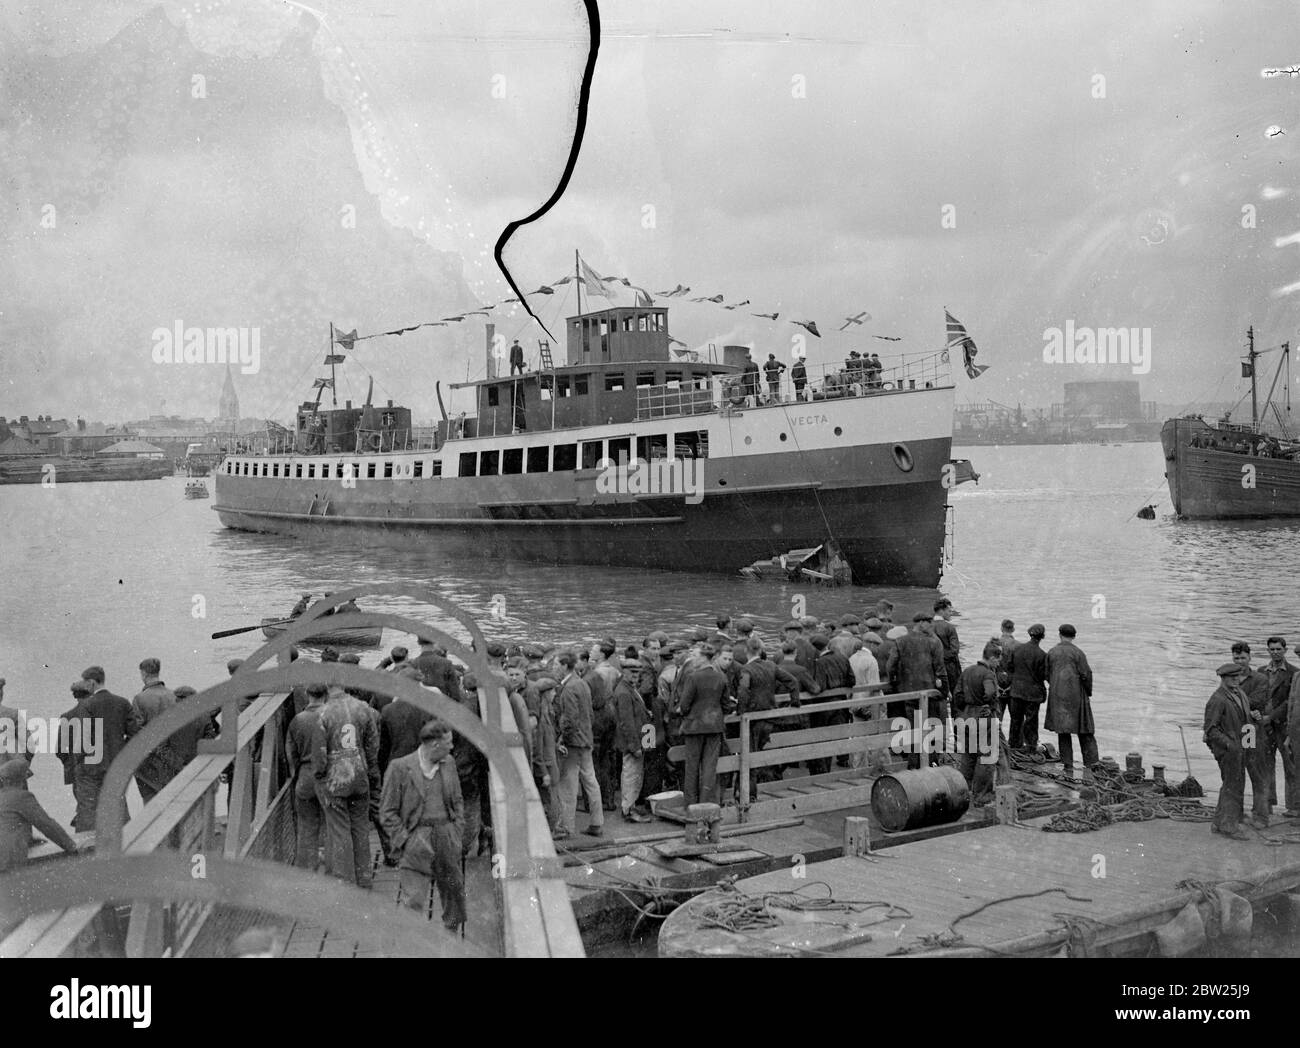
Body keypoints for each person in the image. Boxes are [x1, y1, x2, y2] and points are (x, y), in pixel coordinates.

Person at [380, 718, 465, 931]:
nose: (452, 747)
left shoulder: (449, 763)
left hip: (446, 835)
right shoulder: (400, 768)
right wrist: (405, 841)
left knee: (454, 892)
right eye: (449, 743)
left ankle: (452, 938)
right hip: (416, 837)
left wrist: (456, 831)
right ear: (435, 745)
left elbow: (458, 800)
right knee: (413, 899)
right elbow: (387, 811)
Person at [312, 684, 380, 888]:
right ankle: (364, 877)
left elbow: (320, 755)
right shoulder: (363, 707)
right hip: (359, 774)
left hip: (335, 778)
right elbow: (373, 745)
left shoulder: (322, 713)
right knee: (360, 827)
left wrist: (319, 775)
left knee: (340, 830)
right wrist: (368, 768)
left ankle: (346, 881)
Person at [79, 666, 136, 826]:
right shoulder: (122, 703)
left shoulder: (87, 705)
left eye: (85, 683)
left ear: (91, 682)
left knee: (93, 809)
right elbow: (135, 732)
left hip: (94, 765)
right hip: (118, 762)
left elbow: (84, 738)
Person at [554, 652, 603, 839]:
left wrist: (562, 739)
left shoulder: (568, 689)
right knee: (591, 781)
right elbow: (589, 714)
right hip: (586, 739)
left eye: (557, 665)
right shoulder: (582, 683)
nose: (554, 669)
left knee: (568, 785)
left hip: (573, 742)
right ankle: (597, 823)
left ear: (565, 666)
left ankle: (566, 827)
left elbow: (569, 720)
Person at [0, 759, 80, 872]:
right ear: (22, 779)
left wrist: (28, 839)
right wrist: (70, 846)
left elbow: (8, 826)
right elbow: (46, 825)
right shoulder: (21, 797)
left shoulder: (3, 797)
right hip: (8, 860)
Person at [677, 645, 732, 805]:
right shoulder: (721, 677)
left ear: (703, 658)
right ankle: (706, 804)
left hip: (694, 728)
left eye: (696, 656)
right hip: (714, 727)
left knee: (692, 768)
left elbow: (684, 706)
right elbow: (726, 706)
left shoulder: (693, 677)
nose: (694, 659)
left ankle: (690, 805)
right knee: (709, 768)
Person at [1205, 663, 1251, 840]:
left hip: (1242, 749)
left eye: (1238, 677)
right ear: (1223, 679)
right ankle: (1229, 826)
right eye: (1232, 677)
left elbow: (1247, 722)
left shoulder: (1240, 695)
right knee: (1232, 786)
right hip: (1228, 751)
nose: (1236, 680)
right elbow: (1211, 730)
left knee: (1232, 785)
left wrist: (1249, 746)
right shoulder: (1217, 699)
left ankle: (1219, 821)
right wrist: (1230, 745)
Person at [1044, 625, 1097, 777]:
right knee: (1085, 730)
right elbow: (1086, 674)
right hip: (1077, 696)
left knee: (1063, 731)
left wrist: (1056, 686)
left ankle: (1068, 766)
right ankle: (1092, 765)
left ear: (1059, 635)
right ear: (1074, 636)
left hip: (1057, 696)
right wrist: (1088, 692)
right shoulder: (1078, 652)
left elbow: (1047, 674)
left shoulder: (1052, 652)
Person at [285, 682, 328, 871]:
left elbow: (291, 754)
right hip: (329, 775)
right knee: (330, 822)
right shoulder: (332, 716)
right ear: (326, 695)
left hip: (305, 775)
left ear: (308, 695)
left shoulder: (297, 720)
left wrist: (295, 775)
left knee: (306, 825)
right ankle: (329, 867)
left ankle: (307, 870)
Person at [955, 642, 1002, 804]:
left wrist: (965, 709)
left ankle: (963, 792)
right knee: (986, 757)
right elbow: (989, 692)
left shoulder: (967, 671)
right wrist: (988, 705)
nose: (999, 663)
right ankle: (982, 795)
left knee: (968, 756)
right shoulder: (988, 674)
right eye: (997, 659)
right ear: (991, 658)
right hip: (983, 717)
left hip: (966, 716)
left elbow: (957, 695)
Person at [1231, 641, 1272, 828]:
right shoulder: (1228, 677)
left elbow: (1258, 701)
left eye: (1243, 658)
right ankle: (1237, 813)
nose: (1239, 661)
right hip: (1233, 731)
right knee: (1236, 773)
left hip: (1250, 731)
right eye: (1236, 658)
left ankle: (1261, 816)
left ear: (1250, 658)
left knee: (1256, 772)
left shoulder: (1259, 679)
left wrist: (1234, 699)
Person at [1259, 636, 1297, 816]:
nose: (1275, 652)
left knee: (1290, 766)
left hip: (1283, 727)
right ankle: (1267, 802)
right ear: (1268, 651)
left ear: (1285, 650)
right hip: (1264, 728)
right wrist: (1259, 716)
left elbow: (1290, 702)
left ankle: (1293, 806)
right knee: (1266, 765)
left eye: (1278, 649)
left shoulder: (1293, 673)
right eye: (1272, 649)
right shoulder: (1260, 672)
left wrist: (1271, 716)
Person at [611, 658, 652, 822]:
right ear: (624, 672)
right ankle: (628, 810)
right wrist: (634, 746)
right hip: (632, 742)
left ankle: (630, 806)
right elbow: (626, 722)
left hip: (637, 738)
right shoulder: (624, 692)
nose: (635, 676)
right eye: (632, 673)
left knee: (633, 773)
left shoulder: (628, 688)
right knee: (631, 774)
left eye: (637, 673)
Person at [55, 680, 96, 832]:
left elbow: (60, 750)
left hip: (79, 774)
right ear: (91, 694)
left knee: (85, 812)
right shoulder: (101, 715)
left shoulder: (67, 717)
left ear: (75, 696)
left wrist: (73, 764)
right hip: (103, 771)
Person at [1006, 624, 1048, 751]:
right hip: (1033, 693)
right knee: (1031, 720)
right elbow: (1044, 675)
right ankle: (1030, 746)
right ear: (1042, 637)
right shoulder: (1042, 655)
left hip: (1016, 690)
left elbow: (1010, 668)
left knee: (1015, 720)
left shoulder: (1017, 650)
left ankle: (1013, 746)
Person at [411, 637, 462, 703]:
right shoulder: (446, 663)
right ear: (434, 642)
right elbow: (455, 693)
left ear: (419, 643)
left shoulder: (413, 663)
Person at [932, 600, 962, 700]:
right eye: (949, 611)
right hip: (950, 668)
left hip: (933, 669)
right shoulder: (949, 628)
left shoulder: (928, 627)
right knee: (955, 698)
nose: (951, 613)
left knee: (937, 697)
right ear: (942, 611)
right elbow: (955, 650)